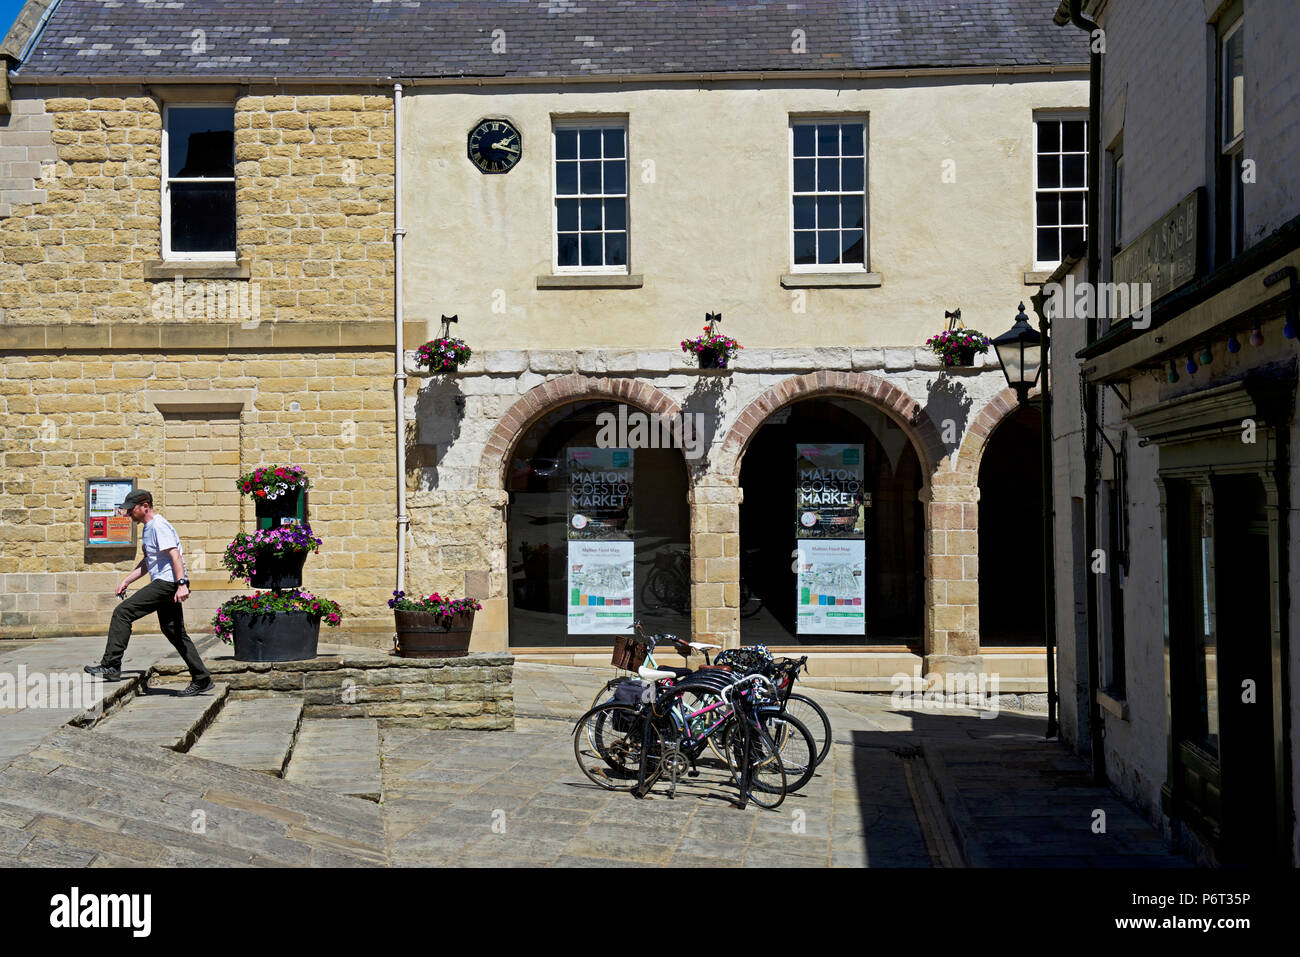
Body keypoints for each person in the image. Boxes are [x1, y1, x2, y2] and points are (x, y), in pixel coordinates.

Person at [84, 489, 214, 696]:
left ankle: (111, 665)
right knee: (174, 632)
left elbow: (175, 556)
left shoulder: (159, 526)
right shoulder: (148, 527)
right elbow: (148, 562)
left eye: (131, 510)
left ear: (144, 506)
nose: (127, 514)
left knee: (123, 612)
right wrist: (126, 580)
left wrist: (182, 584)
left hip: (167, 582)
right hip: (166, 581)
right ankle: (202, 678)